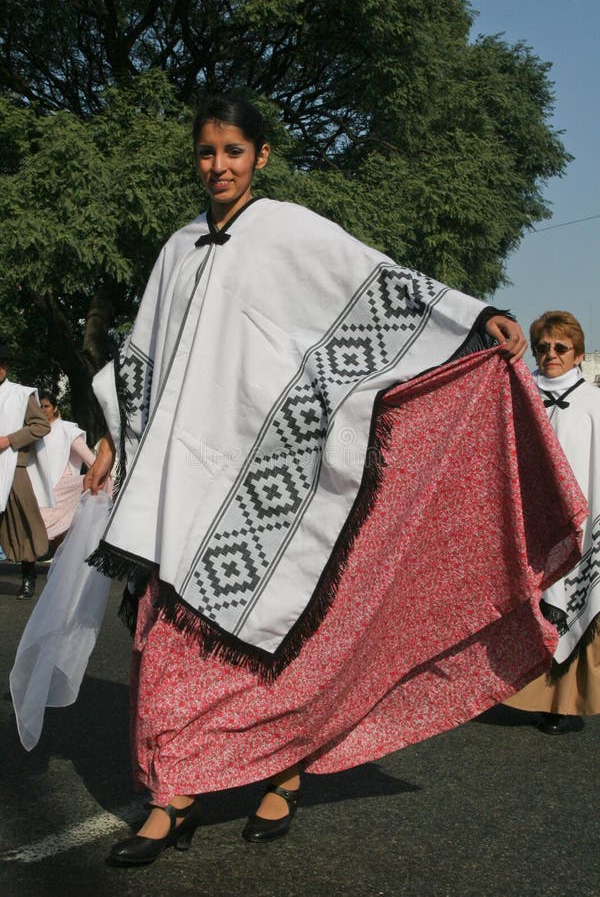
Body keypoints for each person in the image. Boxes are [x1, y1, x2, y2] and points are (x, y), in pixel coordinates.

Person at [80, 94, 581, 867]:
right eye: (207, 152)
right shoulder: (177, 250)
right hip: (184, 476)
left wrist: (478, 319)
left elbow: (382, 286)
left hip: (268, 469)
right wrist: (116, 439)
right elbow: (145, 362)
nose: (218, 166)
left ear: (261, 156)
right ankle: (171, 796)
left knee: (278, 644)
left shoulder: (290, 231)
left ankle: (282, 771)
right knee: (170, 639)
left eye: (233, 151)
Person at [506, 311, 600, 734]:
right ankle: (518, 693)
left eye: (561, 347)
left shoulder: (594, 403)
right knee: (527, 603)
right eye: (543, 347)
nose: (551, 354)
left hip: (579, 524)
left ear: (578, 354)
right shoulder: (519, 394)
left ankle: (563, 703)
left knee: (571, 599)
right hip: (527, 520)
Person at [0, 339, 53, 599]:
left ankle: (29, 577)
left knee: (23, 522)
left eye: (2, 363)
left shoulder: (21, 394)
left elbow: (41, 426)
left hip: (13, 467)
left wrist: (10, 439)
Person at [37, 393, 98, 544]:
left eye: (46, 406)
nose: (43, 409)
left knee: (62, 533)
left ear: (55, 408)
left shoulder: (67, 429)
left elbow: (91, 461)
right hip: (42, 487)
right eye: (40, 406)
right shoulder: (35, 431)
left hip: (65, 488)